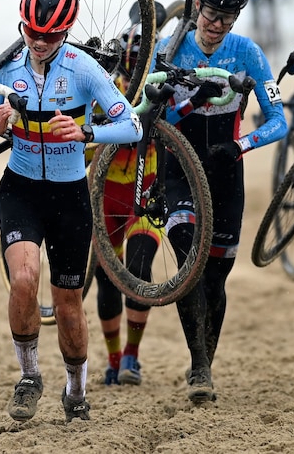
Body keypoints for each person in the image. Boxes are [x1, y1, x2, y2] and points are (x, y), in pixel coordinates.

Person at [0, 0, 143, 422]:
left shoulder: (83, 69)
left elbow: (133, 126)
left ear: (66, 32)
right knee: (24, 280)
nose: (39, 42)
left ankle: (76, 392)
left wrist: (87, 131)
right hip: (21, 189)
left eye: (50, 36)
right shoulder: (7, 70)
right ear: (22, 25)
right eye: (31, 32)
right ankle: (28, 377)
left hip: (70, 195)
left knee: (68, 303)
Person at [152, 0, 288, 403]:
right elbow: (151, 118)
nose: (215, 27)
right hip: (178, 170)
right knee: (189, 266)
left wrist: (241, 145)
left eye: (226, 20)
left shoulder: (248, 52)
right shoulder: (169, 49)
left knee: (215, 279)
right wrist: (194, 100)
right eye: (210, 16)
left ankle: (205, 359)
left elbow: (279, 121)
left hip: (227, 173)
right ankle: (199, 366)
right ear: (197, 5)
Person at [93, 22, 162, 387]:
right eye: (130, 61)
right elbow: (86, 144)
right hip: (105, 198)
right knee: (106, 281)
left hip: (145, 194)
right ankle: (114, 357)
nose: (135, 67)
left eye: (141, 61)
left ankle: (132, 358)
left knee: (138, 269)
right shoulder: (104, 89)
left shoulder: (159, 86)